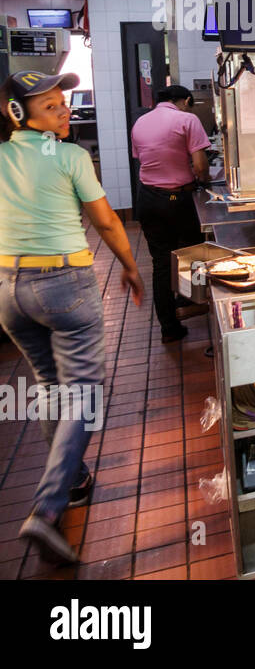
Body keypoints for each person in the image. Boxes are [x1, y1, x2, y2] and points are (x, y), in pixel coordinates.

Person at [0, 71, 145, 564]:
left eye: (64, 103)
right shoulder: (70, 157)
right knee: (83, 395)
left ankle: (75, 479)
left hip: (10, 292)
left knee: (48, 388)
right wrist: (129, 266)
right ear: (18, 114)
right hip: (65, 287)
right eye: (52, 107)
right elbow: (105, 220)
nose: (65, 112)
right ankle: (45, 509)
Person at [130, 84, 211, 344]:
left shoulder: (140, 123)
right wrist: (205, 180)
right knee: (197, 251)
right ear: (186, 100)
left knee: (161, 263)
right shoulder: (188, 119)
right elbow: (200, 166)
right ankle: (197, 299)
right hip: (177, 198)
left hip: (148, 198)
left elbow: (145, 157)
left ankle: (169, 326)